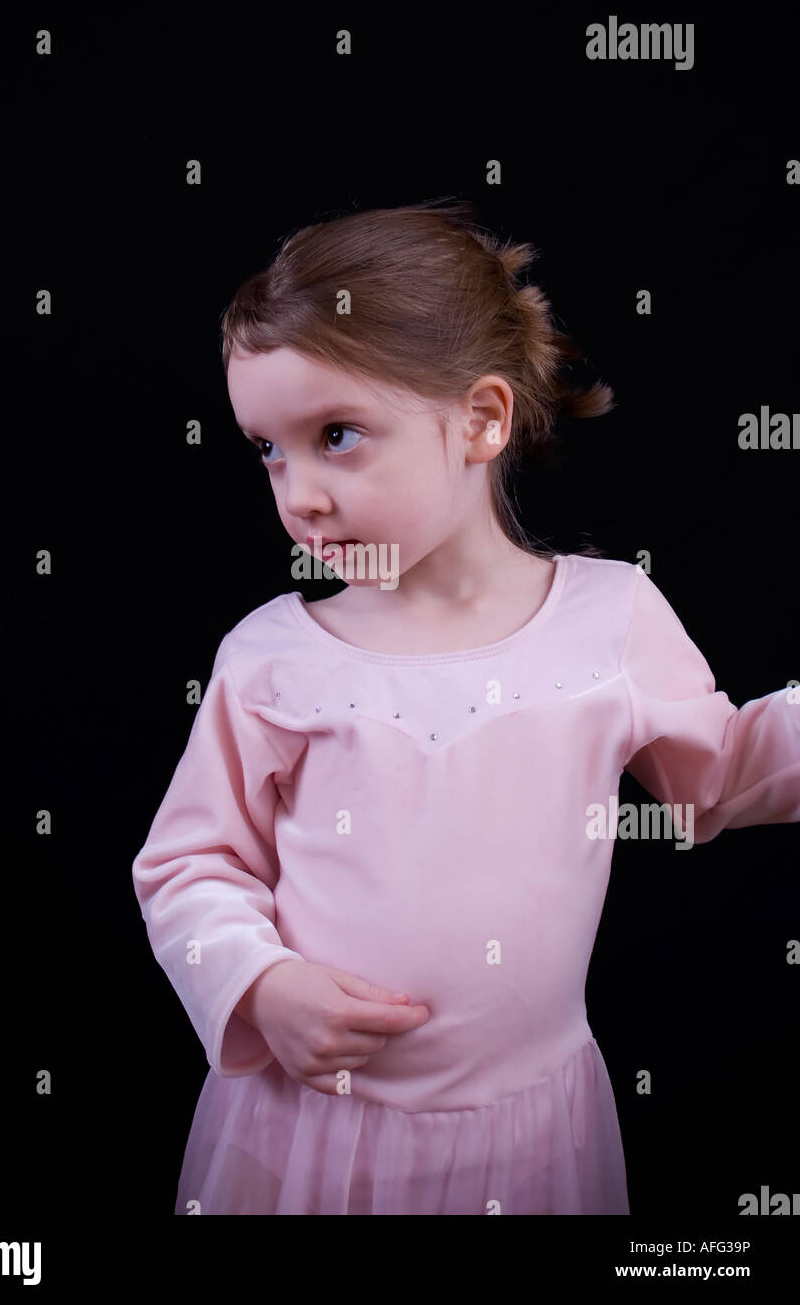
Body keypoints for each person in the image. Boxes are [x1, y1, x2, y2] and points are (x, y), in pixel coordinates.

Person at [131, 198, 800, 1214]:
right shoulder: (272, 659)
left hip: (530, 1137)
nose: (296, 492)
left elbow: (718, 777)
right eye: (267, 449)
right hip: (313, 1135)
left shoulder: (608, 619)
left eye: (336, 435)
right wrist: (259, 985)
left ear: (481, 419)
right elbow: (189, 864)